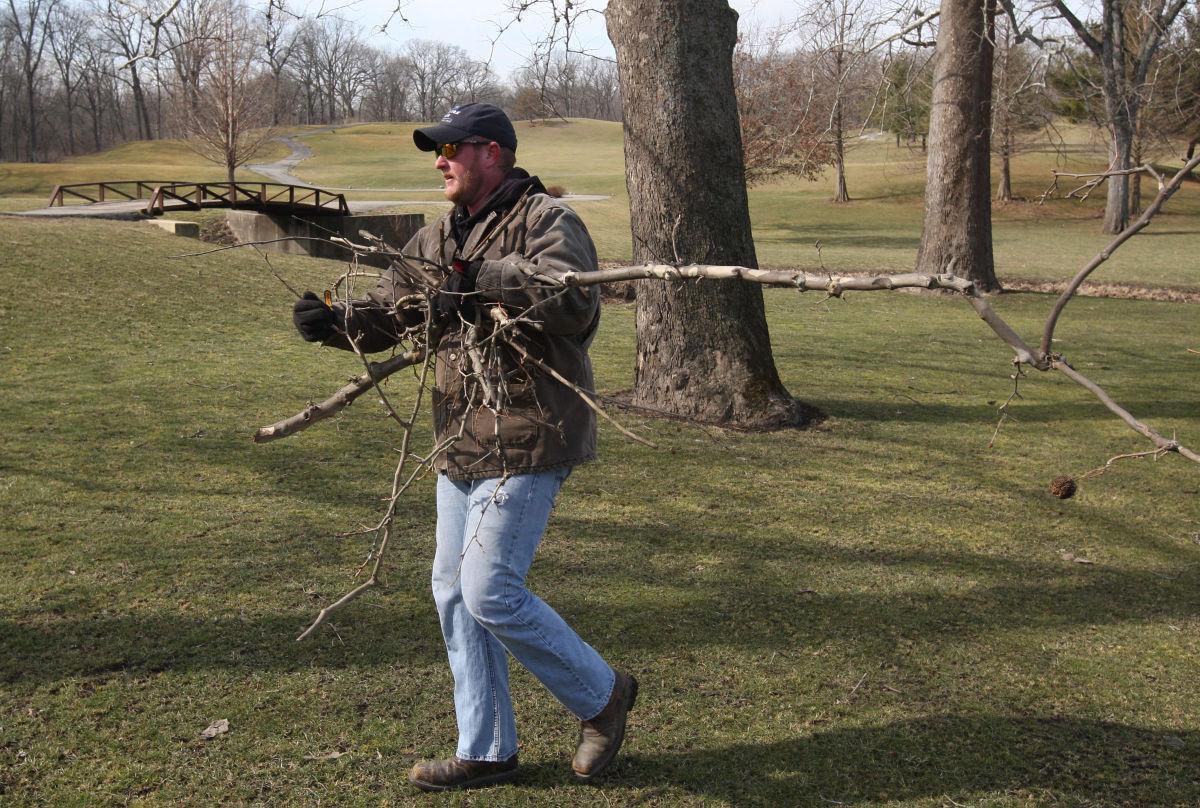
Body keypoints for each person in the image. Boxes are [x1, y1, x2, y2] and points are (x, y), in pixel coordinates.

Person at [291, 102, 637, 792]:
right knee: (452, 591)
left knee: (488, 588)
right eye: (437, 149)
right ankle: (486, 748)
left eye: (451, 147)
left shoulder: (547, 220)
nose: (439, 159)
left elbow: (572, 303)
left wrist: (477, 281)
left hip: (533, 427)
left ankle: (603, 697)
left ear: (493, 152)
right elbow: (394, 309)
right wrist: (334, 323)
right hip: (460, 434)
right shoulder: (436, 235)